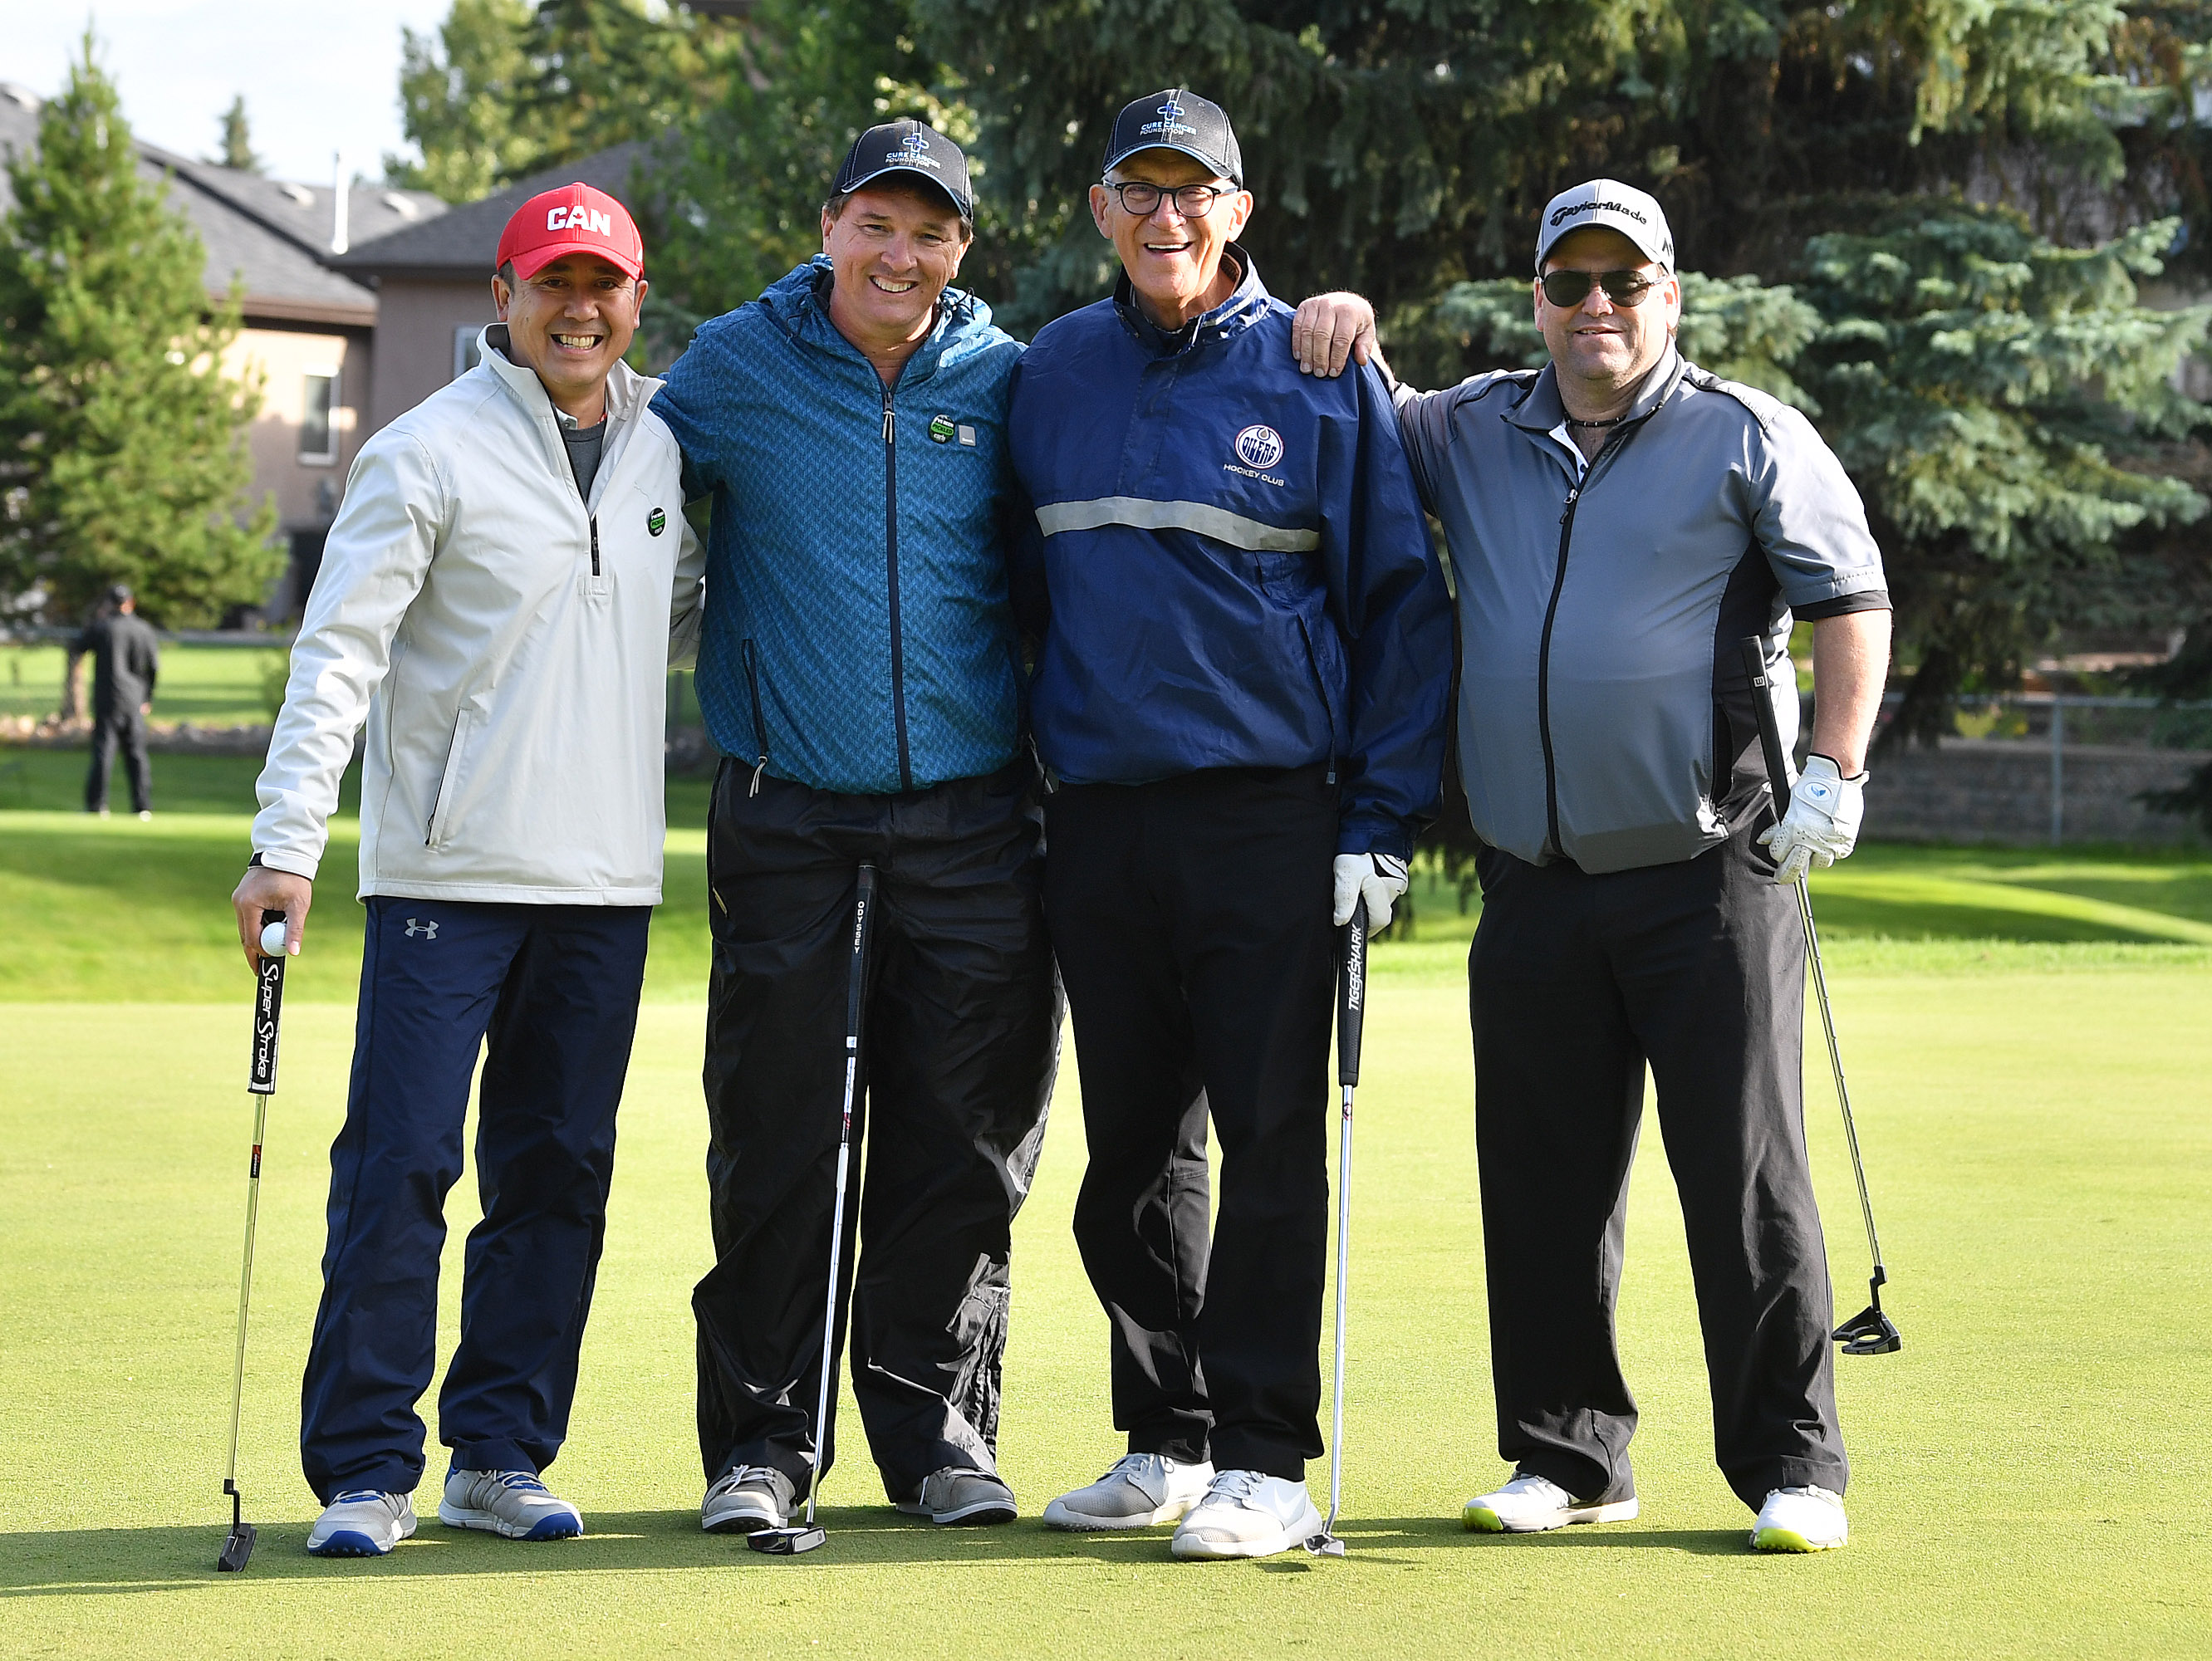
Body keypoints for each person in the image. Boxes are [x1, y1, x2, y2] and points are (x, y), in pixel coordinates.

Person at [650, 117, 1384, 1540]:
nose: (900, 253)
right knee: (779, 1131)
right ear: (827, 228)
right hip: (790, 810)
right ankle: (762, 1444)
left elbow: (1314, 449)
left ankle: (935, 1436)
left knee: (968, 1141)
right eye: (876, 223)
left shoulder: (1009, 374)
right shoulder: (737, 367)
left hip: (985, 814)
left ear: (963, 248)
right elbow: (608, 448)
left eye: (929, 231)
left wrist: (1333, 312)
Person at [1385, 179, 1891, 1553]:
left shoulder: (1744, 434)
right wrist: (1334, 316)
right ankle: (1569, 1457)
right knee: (1540, 1181)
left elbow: (1850, 603)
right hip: (1534, 880)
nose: (1595, 307)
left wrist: (1835, 771)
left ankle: (1795, 1467)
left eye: (1624, 283)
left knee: (1740, 1174)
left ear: (1670, 296)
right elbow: (1358, 404)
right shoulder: (1472, 426)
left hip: (1710, 869)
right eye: (1569, 284)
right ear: (1536, 299)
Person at [1008, 88, 1453, 1561]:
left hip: (1274, 815)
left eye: (1193, 194)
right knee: (1131, 1150)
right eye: (1139, 190)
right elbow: (1013, 597)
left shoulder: (1321, 365)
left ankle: (1267, 1455)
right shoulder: (1051, 372)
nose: (1166, 217)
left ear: (1238, 214)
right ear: (1101, 210)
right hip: (1100, 820)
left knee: (1269, 1143)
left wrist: (1381, 817)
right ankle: (1166, 1434)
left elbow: (1399, 606)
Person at [230, 184, 704, 1558]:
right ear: (503, 299)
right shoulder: (421, 451)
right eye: (551, 284)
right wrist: (285, 843)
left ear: (635, 297)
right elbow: (337, 659)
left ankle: (498, 1453)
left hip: (606, 883)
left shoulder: (673, 440)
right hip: (445, 875)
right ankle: (367, 1470)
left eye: (602, 284)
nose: (579, 308)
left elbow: (673, 608)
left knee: (557, 1177)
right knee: (400, 1170)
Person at [73, 584, 156, 817]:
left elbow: (79, 644)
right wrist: (147, 697)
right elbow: (153, 668)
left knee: (103, 752)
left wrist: (98, 618)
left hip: (108, 699)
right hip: (134, 700)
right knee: (137, 755)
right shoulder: (144, 630)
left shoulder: (104, 628)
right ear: (131, 602)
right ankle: (142, 807)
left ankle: (97, 805)